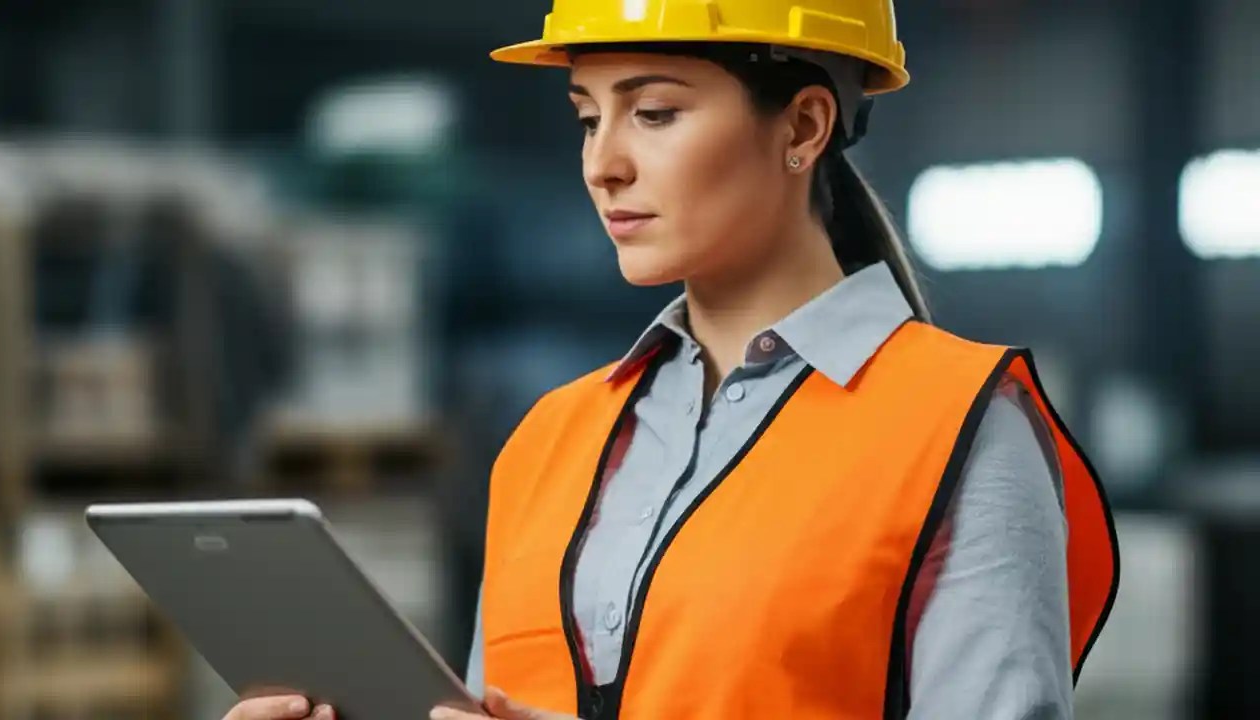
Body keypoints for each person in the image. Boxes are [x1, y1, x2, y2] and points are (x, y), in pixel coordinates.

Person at [223, 2, 1118, 719]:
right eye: (588, 117)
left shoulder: (958, 426)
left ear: (804, 125)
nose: (602, 164)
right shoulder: (548, 443)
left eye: (654, 113)